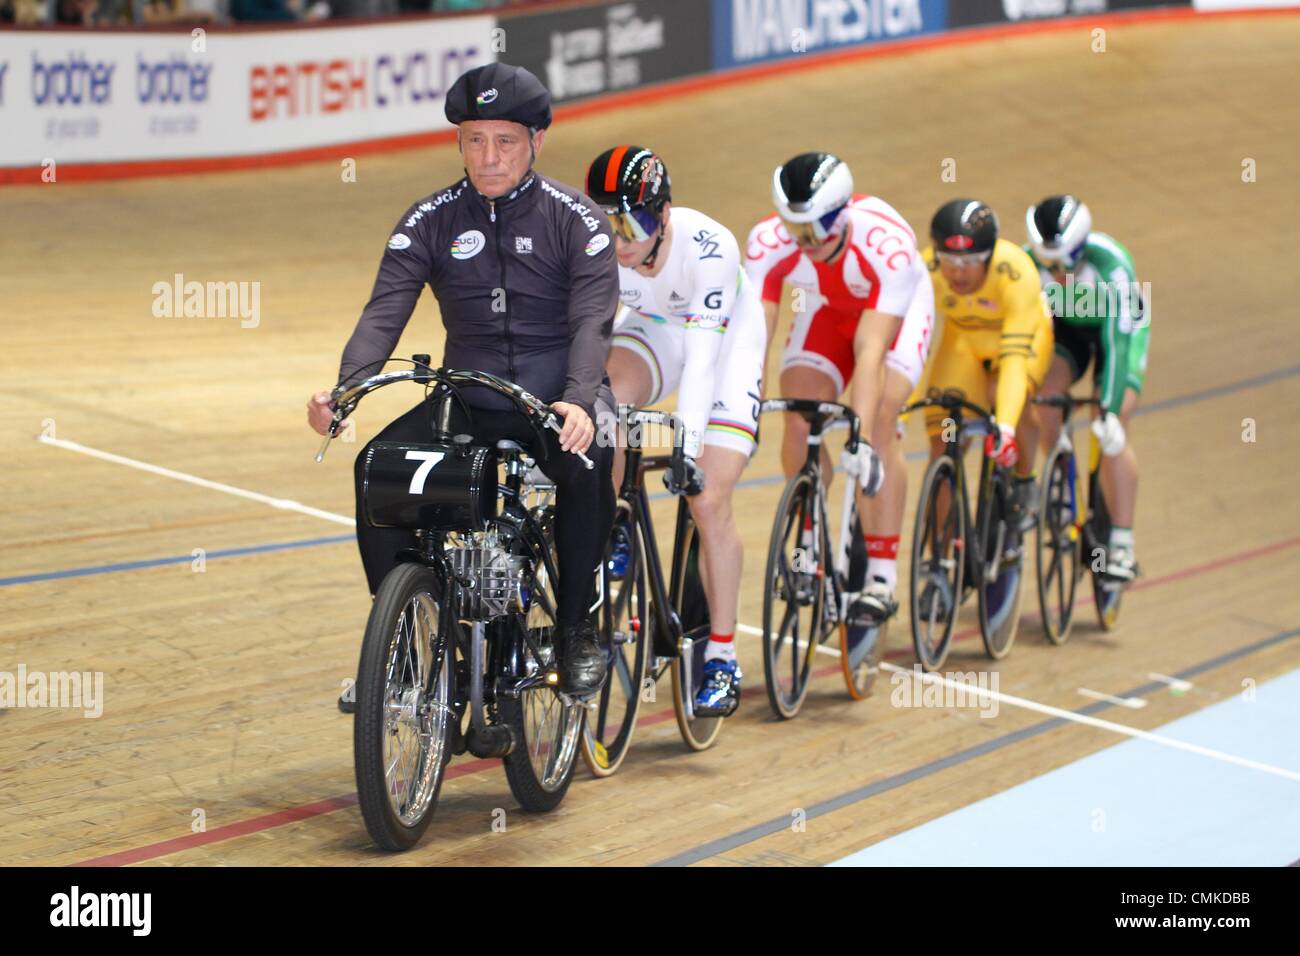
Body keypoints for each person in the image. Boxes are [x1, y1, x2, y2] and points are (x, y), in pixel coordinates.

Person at [307, 62, 619, 698]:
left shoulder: (577, 220)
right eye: (474, 140)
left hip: (558, 395)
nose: (489, 157)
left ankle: (577, 631)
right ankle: (404, 637)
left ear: (537, 141)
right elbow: (383, 312)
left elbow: (593, 320)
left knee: (587, 465)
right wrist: (347, 390)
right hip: (469, 399)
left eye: (504, 141)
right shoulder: (429, 220)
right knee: (377, 465)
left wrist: (581, 399)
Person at [585, 145, 767, 718]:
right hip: (657, 329)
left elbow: (704, 359)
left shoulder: (709, 246)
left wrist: (687, 448)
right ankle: (611, 520)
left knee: (707, 498)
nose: (618, 240)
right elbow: (589, 338)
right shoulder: (601, 246)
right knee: (604, 399)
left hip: (724, 338)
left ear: (663, 214)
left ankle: (722, 656)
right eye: (605, 222)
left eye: (630, 223)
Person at [744, 152, 933, 626]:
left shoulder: (887, 247)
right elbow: (757, 335)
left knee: (884, 412)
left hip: (894, 313)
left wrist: (862, 439)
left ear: (842, 213)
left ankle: (882, 578)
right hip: (827, 310)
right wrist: (742, 412)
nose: (804, 242)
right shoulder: (768, 242)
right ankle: (809, 529)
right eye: (795, 228)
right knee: (798, 409)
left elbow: (871, 349)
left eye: (814, 230)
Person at [1025, 195, 1147, 580]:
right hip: (1069, 334)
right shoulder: (1028, 265)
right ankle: (1062, 480)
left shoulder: (1112, 269)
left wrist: (1109, 410)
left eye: (1064, 264)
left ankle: (1123, 544)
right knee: (1045, 401)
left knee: (1107, 427)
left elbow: (1117, 346)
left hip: (1120, 335)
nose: (1056, 272)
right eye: (1049, 264)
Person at [921, 199, 1053, 528]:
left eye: (970, 262)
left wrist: (1005, 429)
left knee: (1002, 392)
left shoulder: (1017, 272)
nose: (957, 272)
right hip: (963, 341)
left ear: (990, 256)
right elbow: (910, 346)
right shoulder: (924, 271)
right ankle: (940, 563)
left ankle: (1024, 479)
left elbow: (1014, 360)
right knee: (943, 443)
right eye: (949, 260)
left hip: (1022, 340)